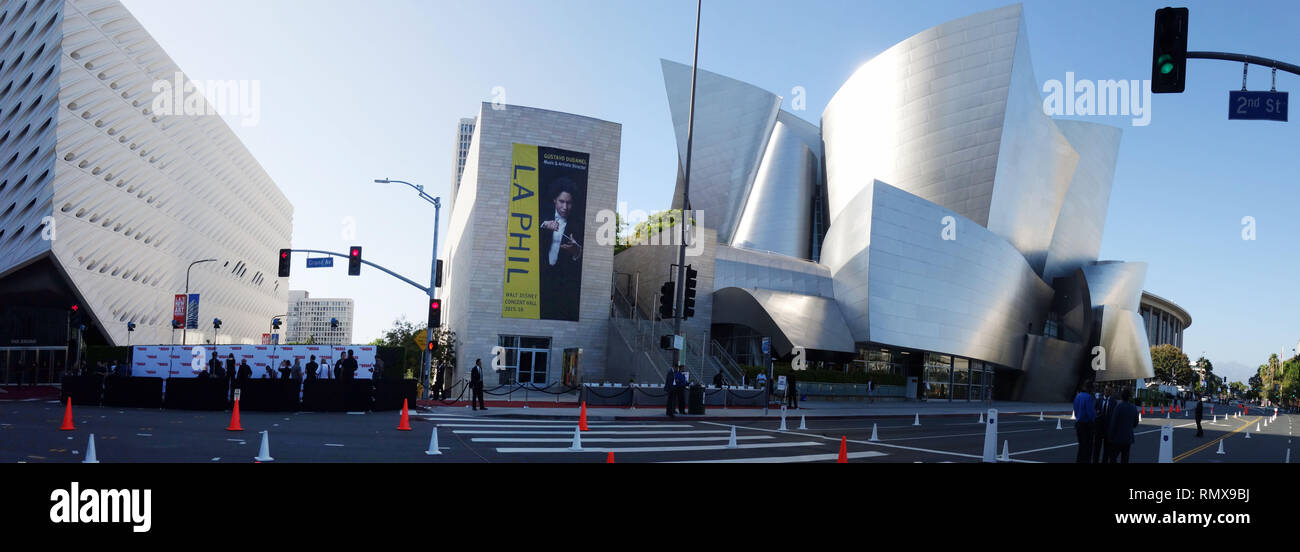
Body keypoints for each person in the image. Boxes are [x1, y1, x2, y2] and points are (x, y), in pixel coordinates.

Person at [538, 178, 583, 321]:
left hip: (562, 281)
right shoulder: (542, 214)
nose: (565, 207)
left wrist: (576, 251)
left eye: (569, 203)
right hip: (539, 275)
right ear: (554, 200)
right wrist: (544, 225)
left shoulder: (578, 225)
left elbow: (580, 256)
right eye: (561, 202)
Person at [1106, 387, 1139, 463]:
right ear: (1129, 397)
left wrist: (1110, 436)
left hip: (1117, 437)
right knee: (1125, 458)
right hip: (1128, 437)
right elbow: (1135, 423)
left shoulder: (1118, 407)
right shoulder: (1133, 408)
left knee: (1113, 457)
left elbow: (1113, 422)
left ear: (1121, 396)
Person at [1072, 382, 1096, 463]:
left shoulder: (1077, 396)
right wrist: (1095, 417)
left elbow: (1075, 411)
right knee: (1088, 448)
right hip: (1087, 425)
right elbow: (1091, 414)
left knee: (1081, 447)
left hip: (1078, 424)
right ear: (1090, 389)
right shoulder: (1089, 397)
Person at [1093, 385, 1112, 463]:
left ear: (1111, 392)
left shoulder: (1113, 402)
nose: (1107, 391)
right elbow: (1094, 412)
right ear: (1104, 390)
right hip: (1098, 429)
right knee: (1096, 449)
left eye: (1109, 390)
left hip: (1108, 430)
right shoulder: (1099, 400)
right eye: (1106, 389)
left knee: (1106, 450)